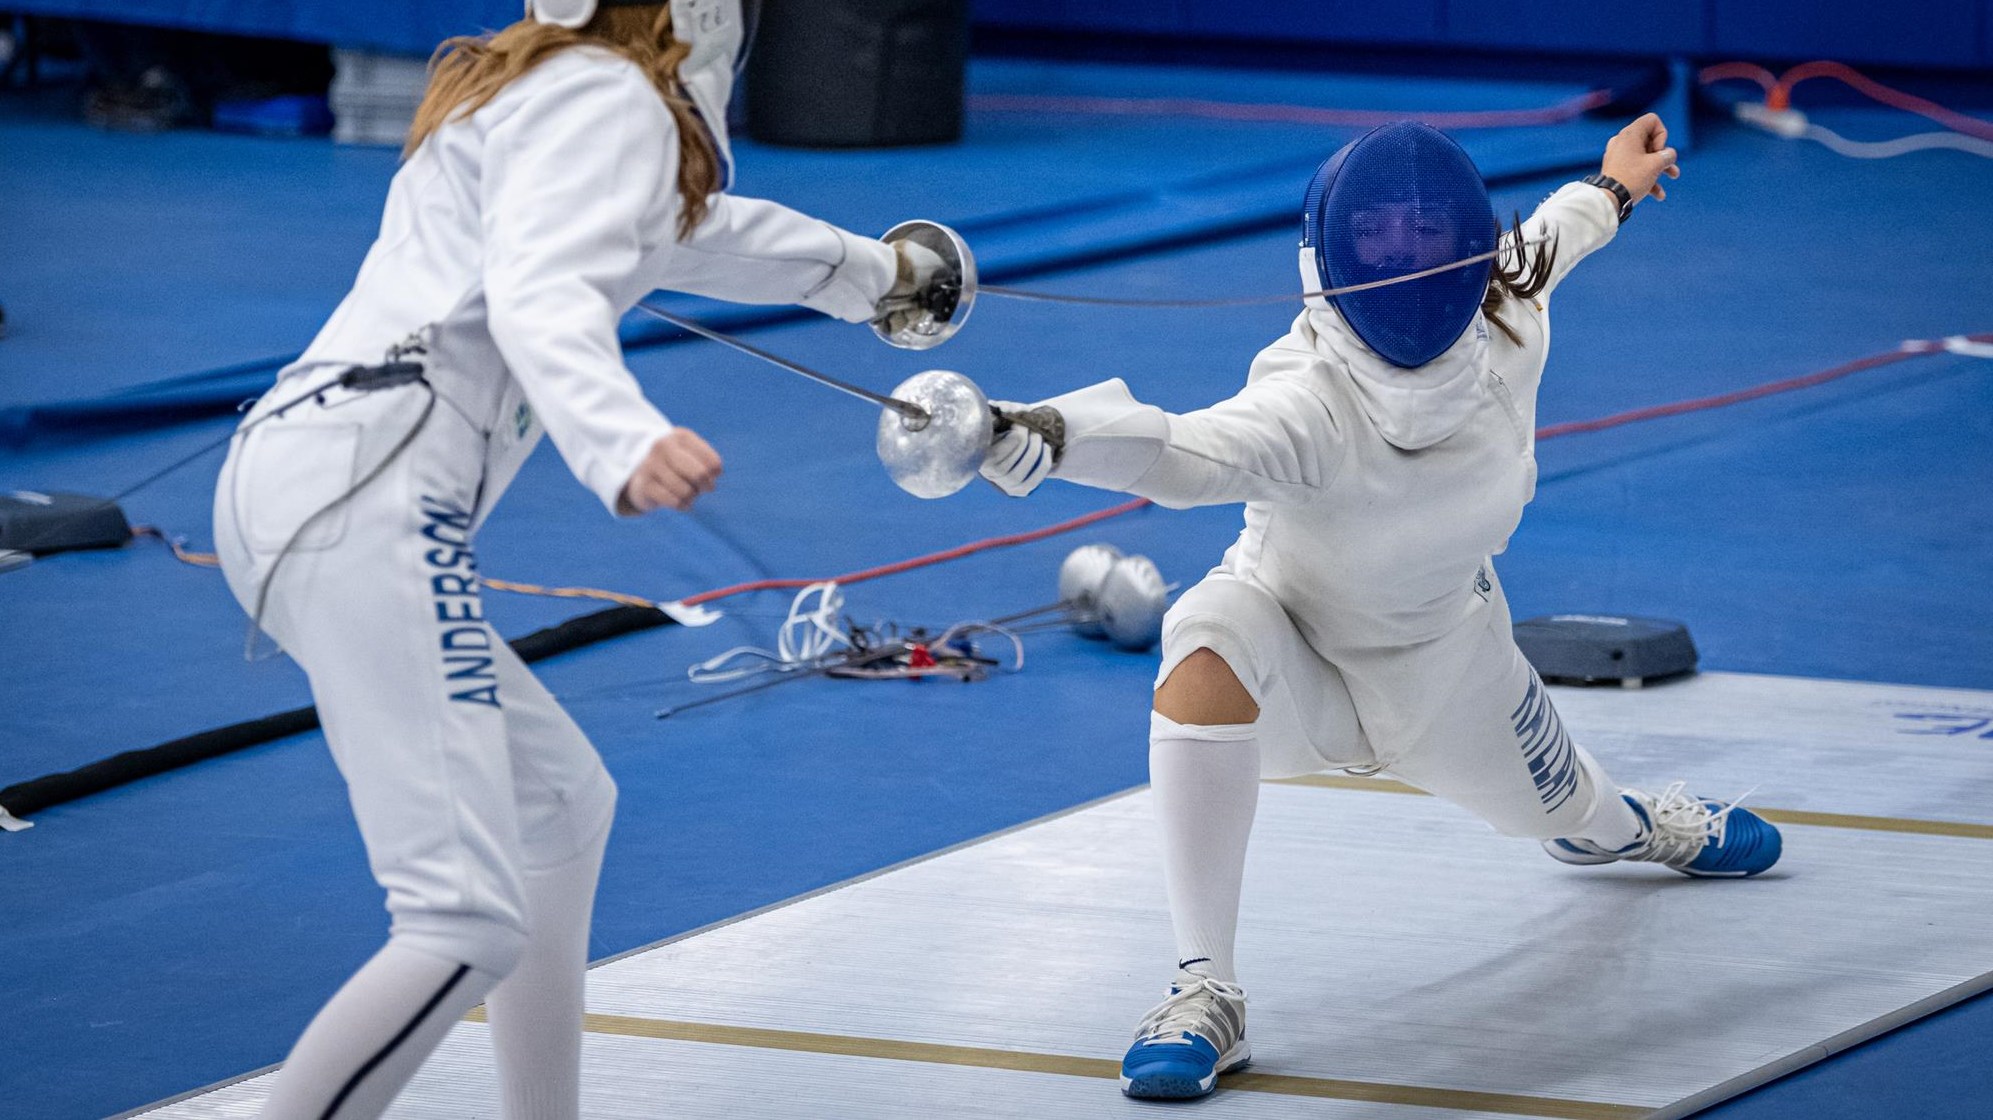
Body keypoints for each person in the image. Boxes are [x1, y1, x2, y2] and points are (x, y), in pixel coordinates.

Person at [210, 2, 950, 1116]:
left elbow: (698, 236)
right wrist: (623, 437)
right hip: (368, 498)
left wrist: (875, 274)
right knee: (461, 921)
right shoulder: (611, 101)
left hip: (308, 473)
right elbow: (540, 291)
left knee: (559, 803)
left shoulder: (544, 92)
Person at [976, 114, 1783, 1101]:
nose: (1404, 261)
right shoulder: (1305, 398)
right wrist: (1046, 433)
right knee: (1205, 634)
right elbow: (1180, 451)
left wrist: (1615, 183)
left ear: (1470, 246)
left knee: (1574, 810)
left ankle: (1628, 828)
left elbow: (1558, 232)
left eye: (1427, 234)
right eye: (1374, 237)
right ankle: (1204, 990)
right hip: (1293, 653)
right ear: (1327, 257)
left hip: (1447, 671)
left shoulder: (1508, 312)